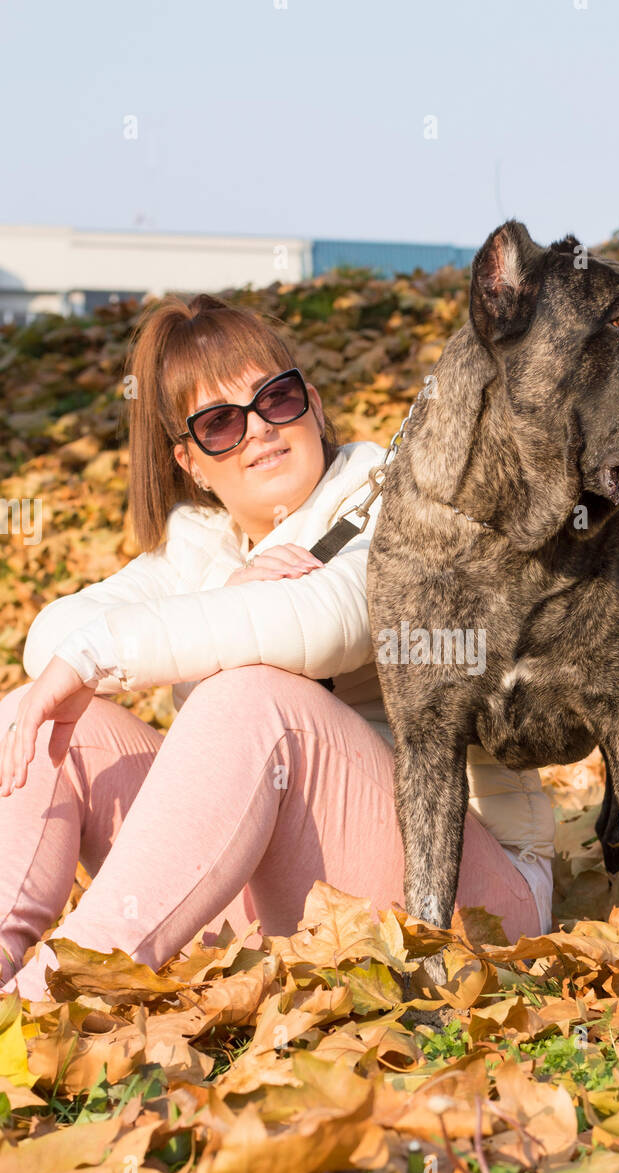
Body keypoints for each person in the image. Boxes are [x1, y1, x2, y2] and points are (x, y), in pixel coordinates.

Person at [0, 293, 555, 1002]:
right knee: (39, 712)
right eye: (221, 422)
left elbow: (329, 624)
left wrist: (130, 643)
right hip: (287, 900)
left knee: (252, 699)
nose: (259, 429)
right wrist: (229, 589)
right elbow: (51, 637)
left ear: (314, 406)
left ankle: (46, 1000)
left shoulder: (402, 502)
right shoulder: (202, 547)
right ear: (191, 461)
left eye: (277, 398)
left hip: (467, 897)